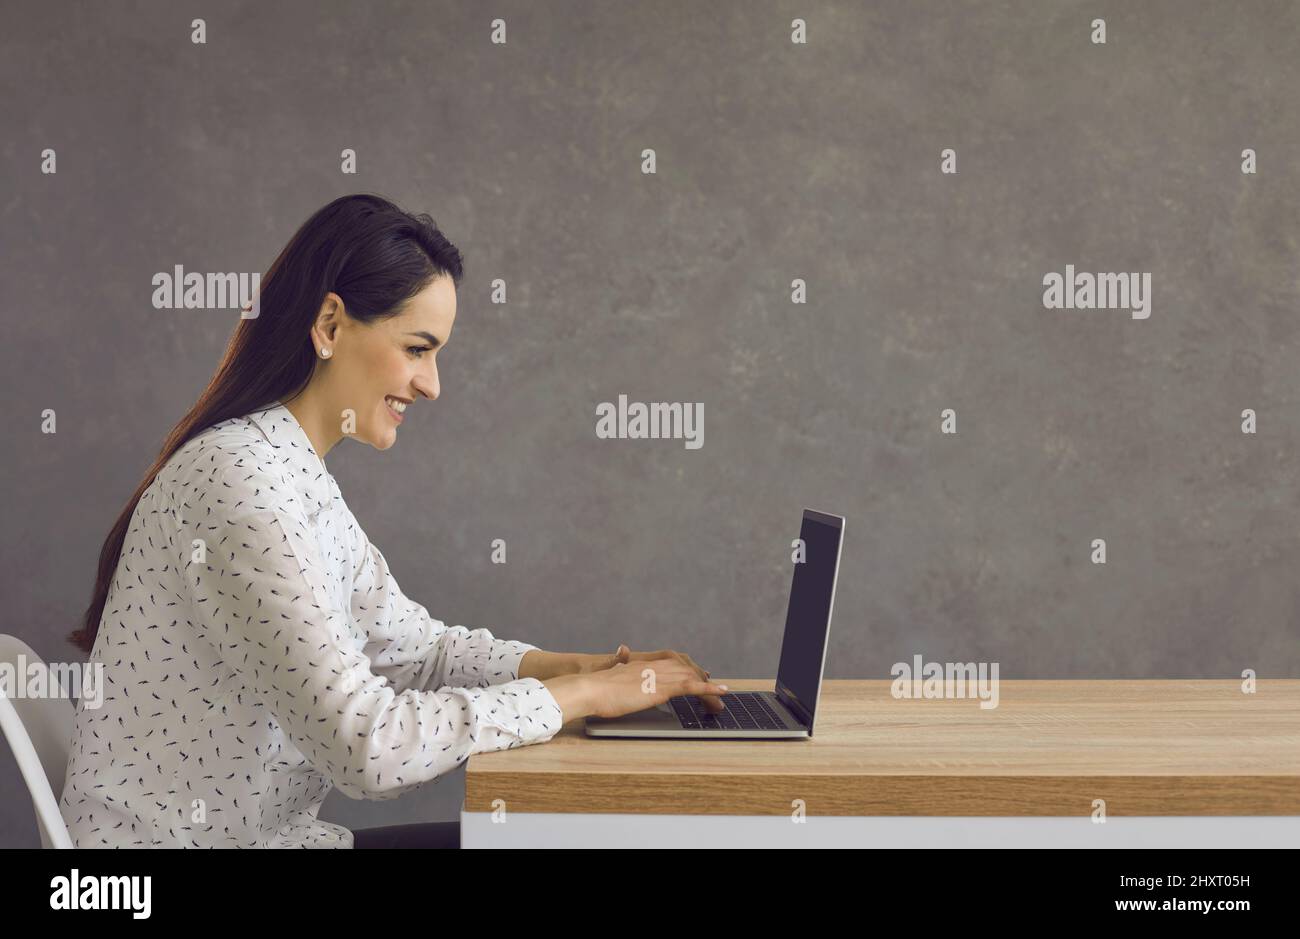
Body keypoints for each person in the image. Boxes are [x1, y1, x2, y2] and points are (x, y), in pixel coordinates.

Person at [62, 193, 729, 848]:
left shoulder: (291, 474)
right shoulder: (241, 485)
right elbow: (368, 747)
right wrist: (584, 694)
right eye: (417, 348)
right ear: (330, 326)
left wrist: (588, 669)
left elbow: (418, 652)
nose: (432, 383)